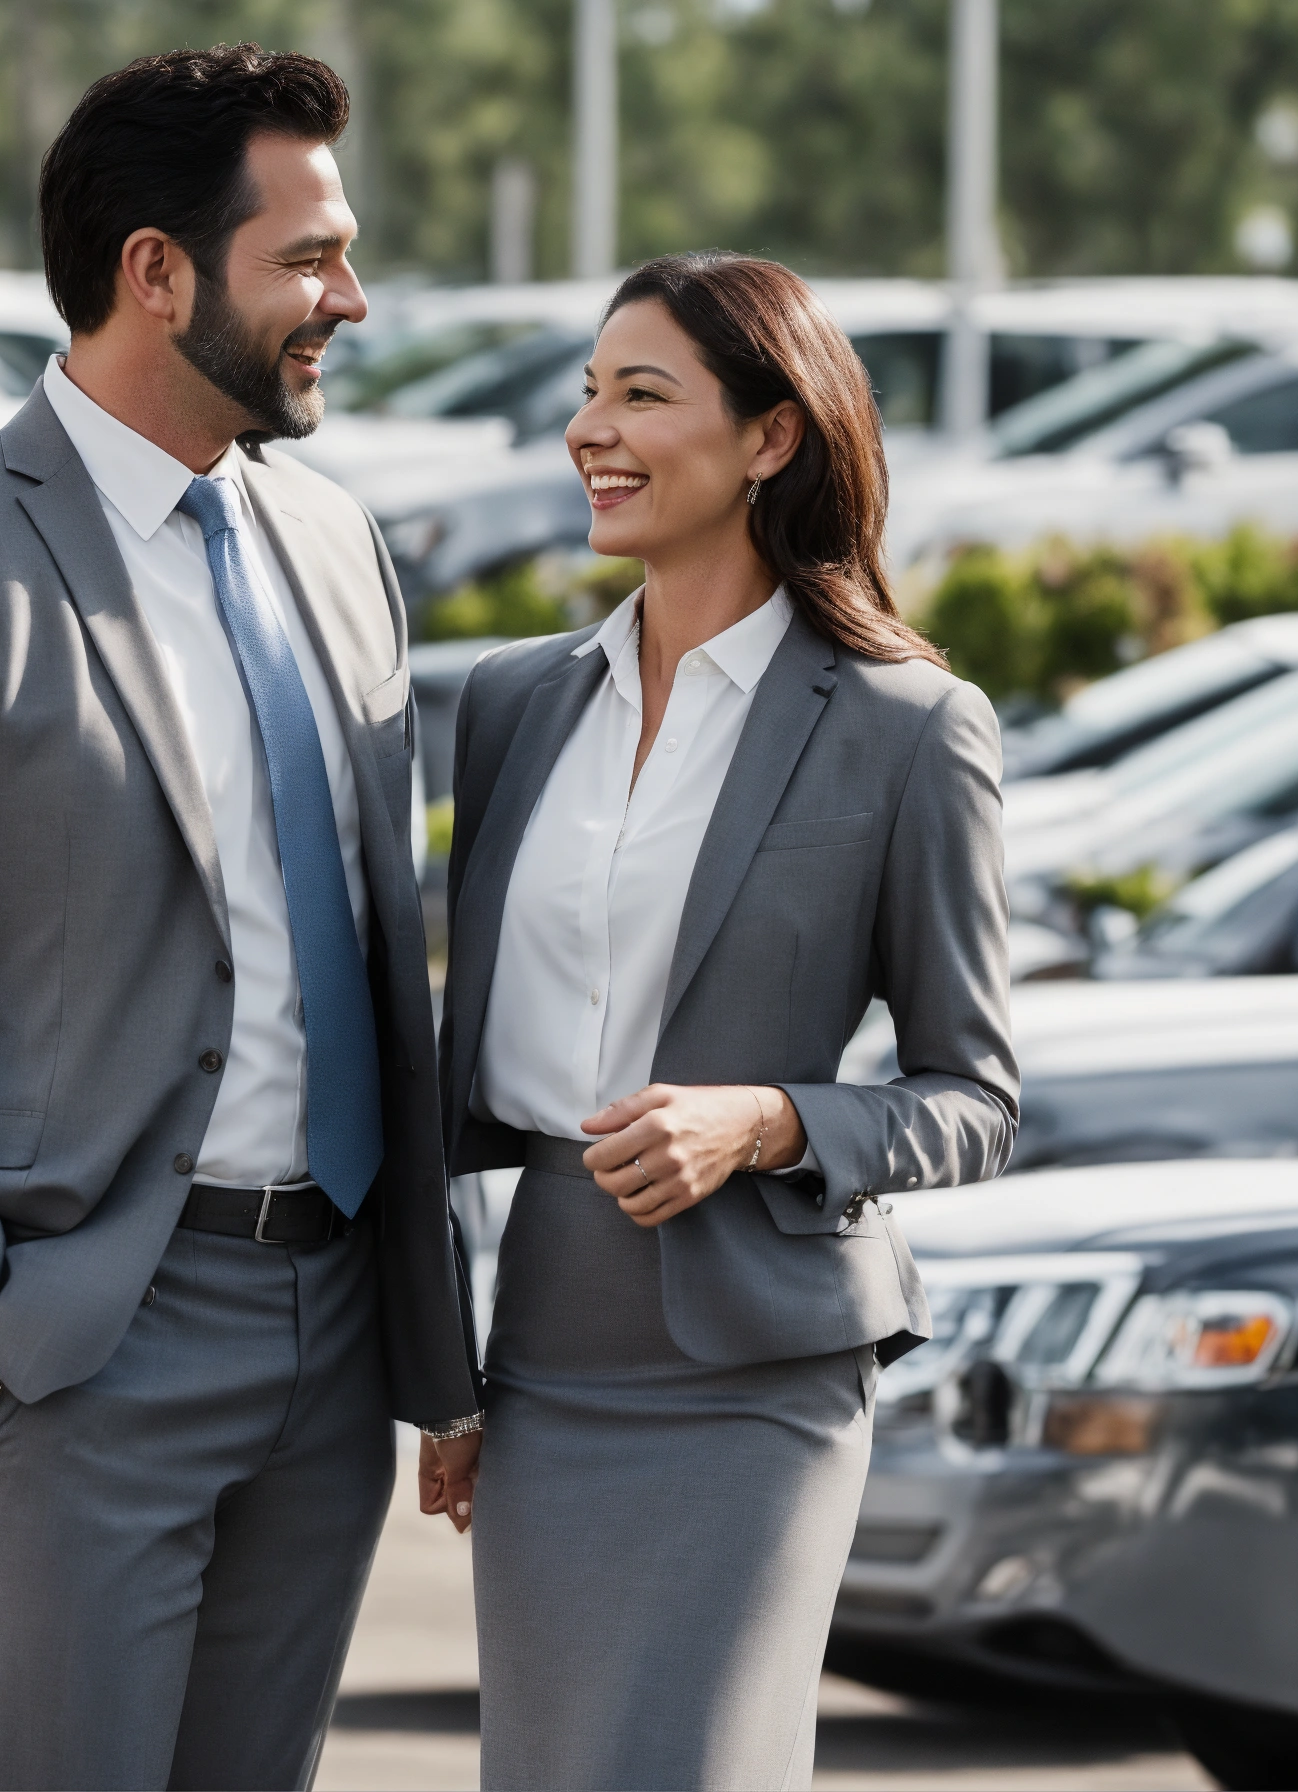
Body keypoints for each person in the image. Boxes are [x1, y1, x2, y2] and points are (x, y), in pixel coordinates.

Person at [0, 46, 482, 1792]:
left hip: (332, 1343)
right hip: (72, 1351)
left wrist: (425, 1338)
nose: (348, 301)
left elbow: (379, 958)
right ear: (156, 270)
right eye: (307, 259)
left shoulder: (338, 546)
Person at [434, 251, 1019, 1791]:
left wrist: (765, 1121)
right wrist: (437, 1368)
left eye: (643, 395)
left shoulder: (908, 728)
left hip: (761, 1368)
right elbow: (448, 1074)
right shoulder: (513, 706)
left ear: (771, 436)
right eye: (588, 393)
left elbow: (976, 1100)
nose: (592, 430)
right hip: (546, 1345)